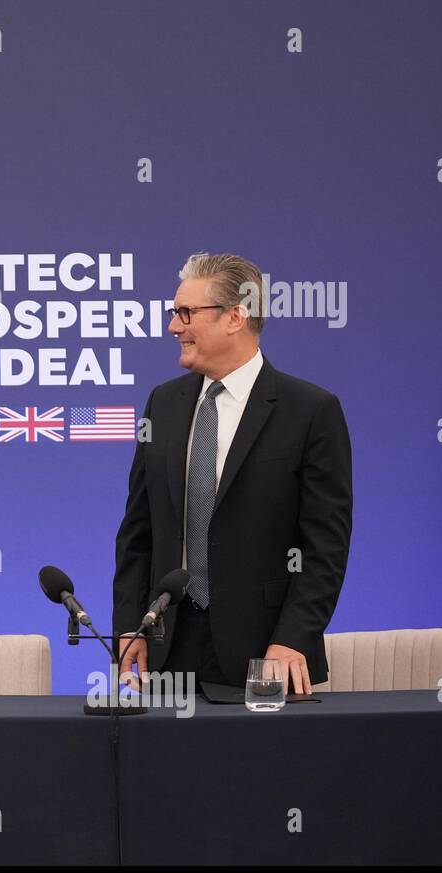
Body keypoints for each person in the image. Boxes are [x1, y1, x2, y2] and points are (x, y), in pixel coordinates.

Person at [113, 253, 352, 694]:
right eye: (173, 313)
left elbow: (325, 548)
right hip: (166, 655)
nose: (173, 326)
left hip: (266, 656)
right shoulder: (161, 405)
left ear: (236, 316)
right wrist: (130, 627)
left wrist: (291, 639)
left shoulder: (310, 411)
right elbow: (137, 533)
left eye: (186, 313)